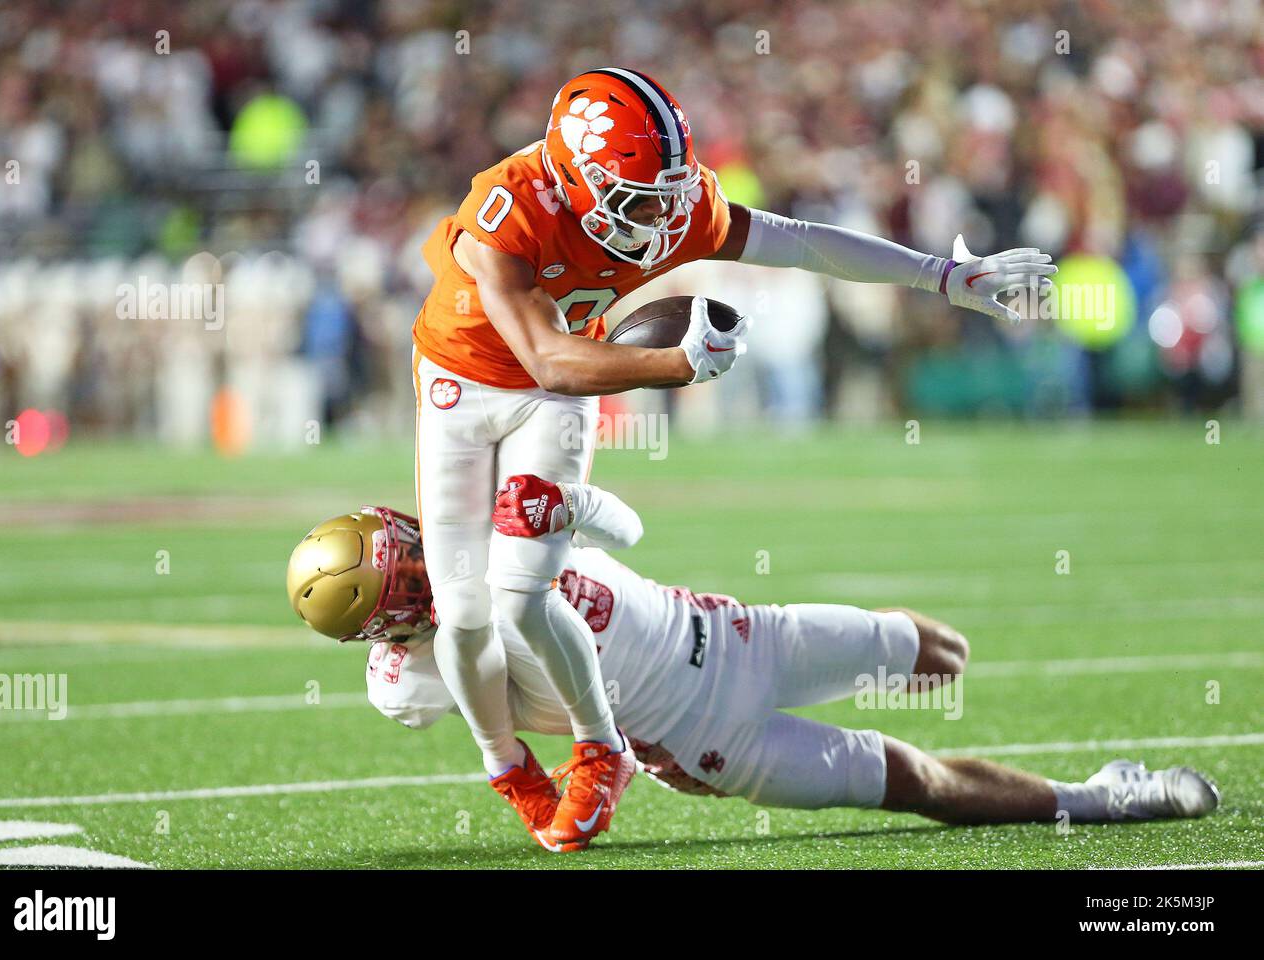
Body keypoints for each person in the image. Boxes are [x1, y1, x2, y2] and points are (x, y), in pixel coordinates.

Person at [408, 66, 1057, 844]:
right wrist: (680, 364)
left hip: (559, 394)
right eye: (638, 198)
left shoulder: (673, 205)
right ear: (578, 180)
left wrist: (941, 275)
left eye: (667, 193)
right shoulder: (507, 212)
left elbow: (803, 244)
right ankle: (506, 767)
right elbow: (548, 358)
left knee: (522, 593)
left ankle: (600, 748)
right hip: (467, 384)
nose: (659, 215)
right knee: (463, 618)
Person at [285, 478, 1218, 853]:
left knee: (941, 653)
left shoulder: (484, 506)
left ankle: (1077, 784)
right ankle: (1099, 796)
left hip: (738, 632)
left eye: (404, 543)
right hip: (714, 741)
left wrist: (561, 498)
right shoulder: (417, 675)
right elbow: (460, 688)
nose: (422, 555)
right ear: (392, 622)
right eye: (407, 570)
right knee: (918, 782)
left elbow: (627, 525)